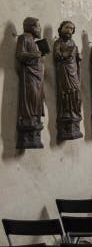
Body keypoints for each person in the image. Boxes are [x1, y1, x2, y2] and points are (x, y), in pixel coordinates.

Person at [16, 17, 46, 148]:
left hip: (37, 77)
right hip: (29, 77)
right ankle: (29, 121)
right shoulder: (24, 38)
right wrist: (35, 55)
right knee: (30, 98)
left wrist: (39, 55)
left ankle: (35, 119)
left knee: (37, 100)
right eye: (38, 26)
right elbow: (20, 55)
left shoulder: (33, 42)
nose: (40, 30)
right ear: (31, 27)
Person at [53, 20, 83, 140]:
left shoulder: (73, 42)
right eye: (67, 28)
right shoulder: (58, 42)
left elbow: (75, 57)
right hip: (63, 71)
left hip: (73, 71)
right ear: (61, 29)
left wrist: (78, 57)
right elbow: (56, 55)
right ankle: (66, 114)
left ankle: (75, 113)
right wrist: (64, 55)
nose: (69, 31)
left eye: (71, 29)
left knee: (76, 92)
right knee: (66, 93)